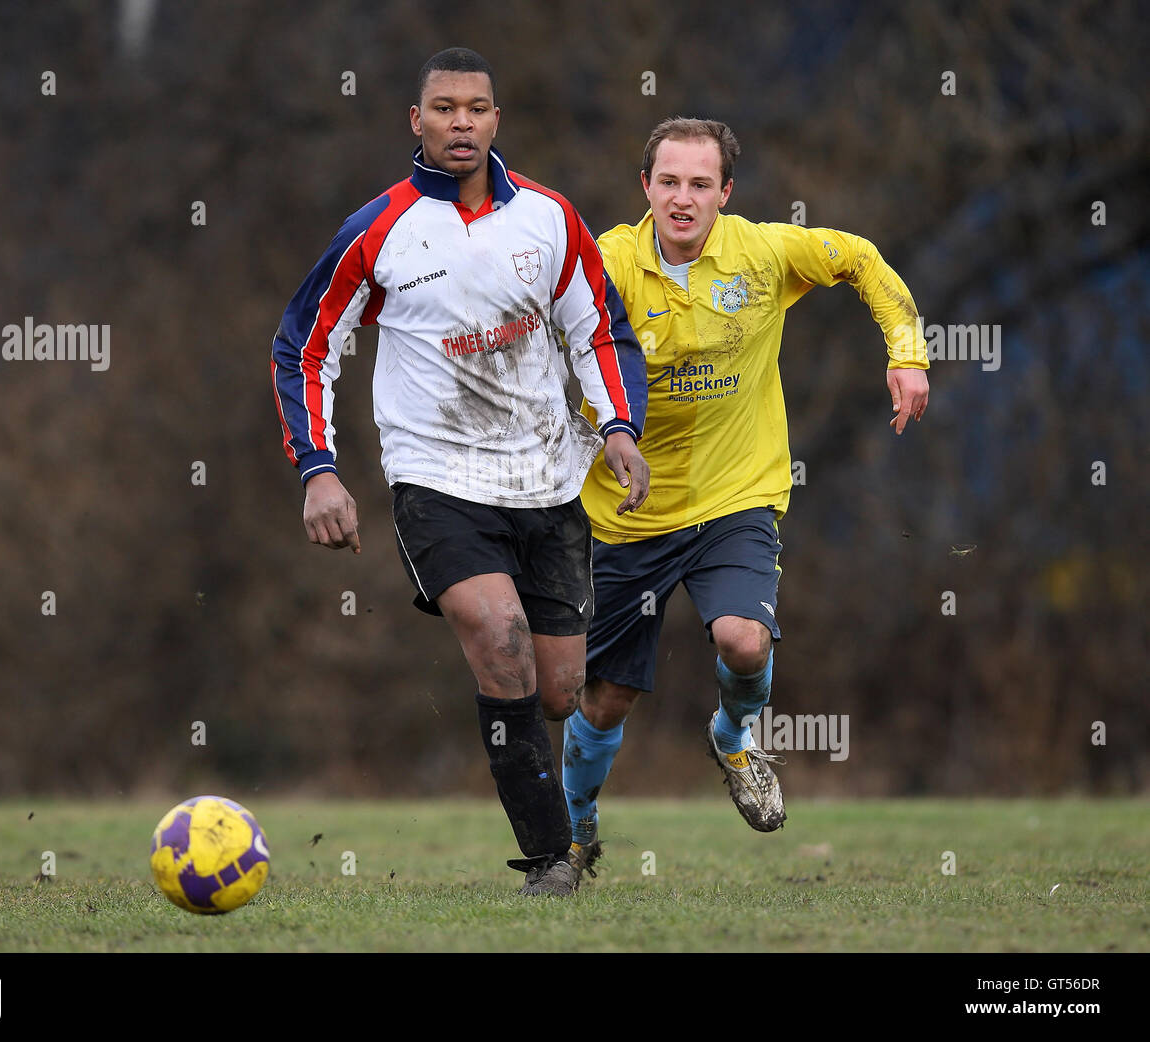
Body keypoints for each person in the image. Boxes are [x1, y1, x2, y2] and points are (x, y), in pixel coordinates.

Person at [271, 48, 650, 895]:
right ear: (417, 121)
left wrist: (619, 428)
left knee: (556, 691)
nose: (461, 122)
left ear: (496, 120)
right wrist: (318, 470)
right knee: (498, 636)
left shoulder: (550, 219)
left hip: (547, 478)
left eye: (476, 107)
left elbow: (601, 330)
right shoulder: (379, 228)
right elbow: (304, 346)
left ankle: (560, 821)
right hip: (436, 477)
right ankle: (553, 861)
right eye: (443, 108)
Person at [561, 117, 929, 878]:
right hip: (629, 514)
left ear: (726, 194)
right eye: (669, 182)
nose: (683, 199)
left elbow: (857, 259)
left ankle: (734, 737)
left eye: (701, 184)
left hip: (738, 497)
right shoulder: (606, 264)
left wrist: (908, 353)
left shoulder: (762, 254)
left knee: (744, 639)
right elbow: (537, 328)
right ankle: (576, 830)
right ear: (646, 188)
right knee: (604, 702)